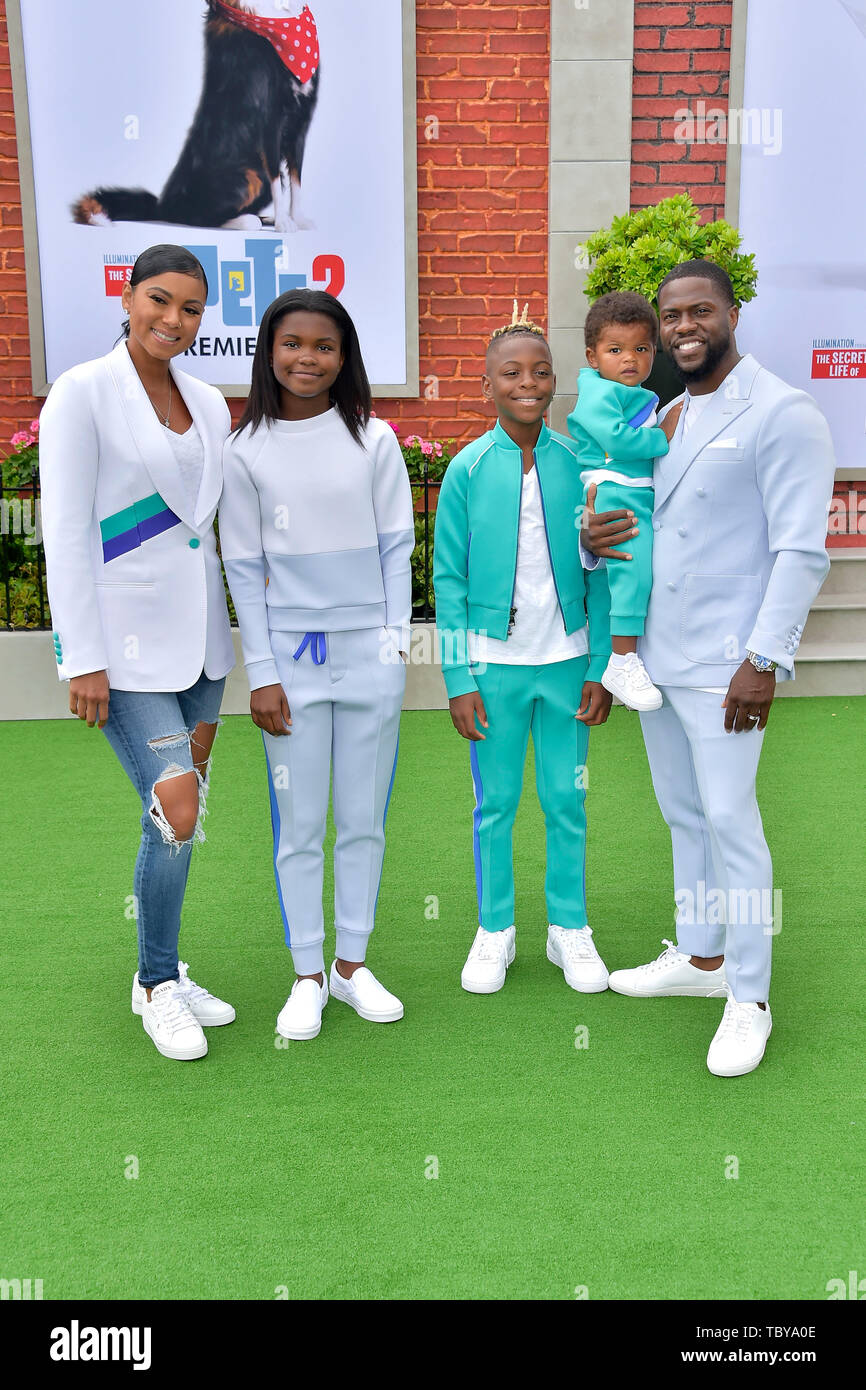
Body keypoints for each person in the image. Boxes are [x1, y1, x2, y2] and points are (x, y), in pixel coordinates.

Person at [582, 259, 836, 1077]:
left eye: (699, 311)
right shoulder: (665, 414)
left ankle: (751, 996)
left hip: (730, 663)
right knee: (684, 817)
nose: (683, 326)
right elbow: (643, 527)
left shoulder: (784, 412)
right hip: (660, 655)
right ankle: (701, 959)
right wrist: (596, 544)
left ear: (732, 312)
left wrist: (765, 659)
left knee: (732, 824)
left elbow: (801, 551)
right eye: (670, 316)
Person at [39, 244, 237, 1062]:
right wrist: (80, 655)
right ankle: (156, 983)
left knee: (175, 825)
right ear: (128, 296)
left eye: (191, 309)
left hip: (201, 650)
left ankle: (163, 966)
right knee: (177, 808)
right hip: (123, 651)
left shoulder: (209, 401)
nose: (174, 320)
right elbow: (66, 533)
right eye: (160, 300)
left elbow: (207, 529)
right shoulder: (82, 393)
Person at [219, 288, 414, 1042]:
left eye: (324, 347)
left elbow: (397, 548)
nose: (308, 358)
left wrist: (395, 646)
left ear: (344, 357)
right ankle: (306, 973)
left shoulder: (375, 439)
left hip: (371, 660)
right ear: (270, 352)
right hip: (291, 671)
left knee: (362, 822)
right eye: (293, 344)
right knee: (300, 826)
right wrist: (261, 673)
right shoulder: (246, 450)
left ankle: (352, 966)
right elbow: (242, 566)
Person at [433, 302, 612, 996]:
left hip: (567, 662)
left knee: (566, 801)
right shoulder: (467, 470)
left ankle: (569, 928)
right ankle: (495, 930)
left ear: (557, 381)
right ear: (487, 385)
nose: (528, 383)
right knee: (496, 803)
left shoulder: (580, 464)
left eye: (541, 371)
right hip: (493, 665)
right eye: (511, 373)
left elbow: (604, 568)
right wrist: (456, 675)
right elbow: (447, 578)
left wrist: (599, 665)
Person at [567, 291, 680, 710]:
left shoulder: (626, 390)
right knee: (632, 575)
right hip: (615, 491)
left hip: (634, 492)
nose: (629, 358)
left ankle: (629, 653)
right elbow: (617, 438)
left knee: (640, 574)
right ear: (592, 357)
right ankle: (622, 659)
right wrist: (661, 436)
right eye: (615, 350)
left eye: (641, 348)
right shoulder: (598, 392)